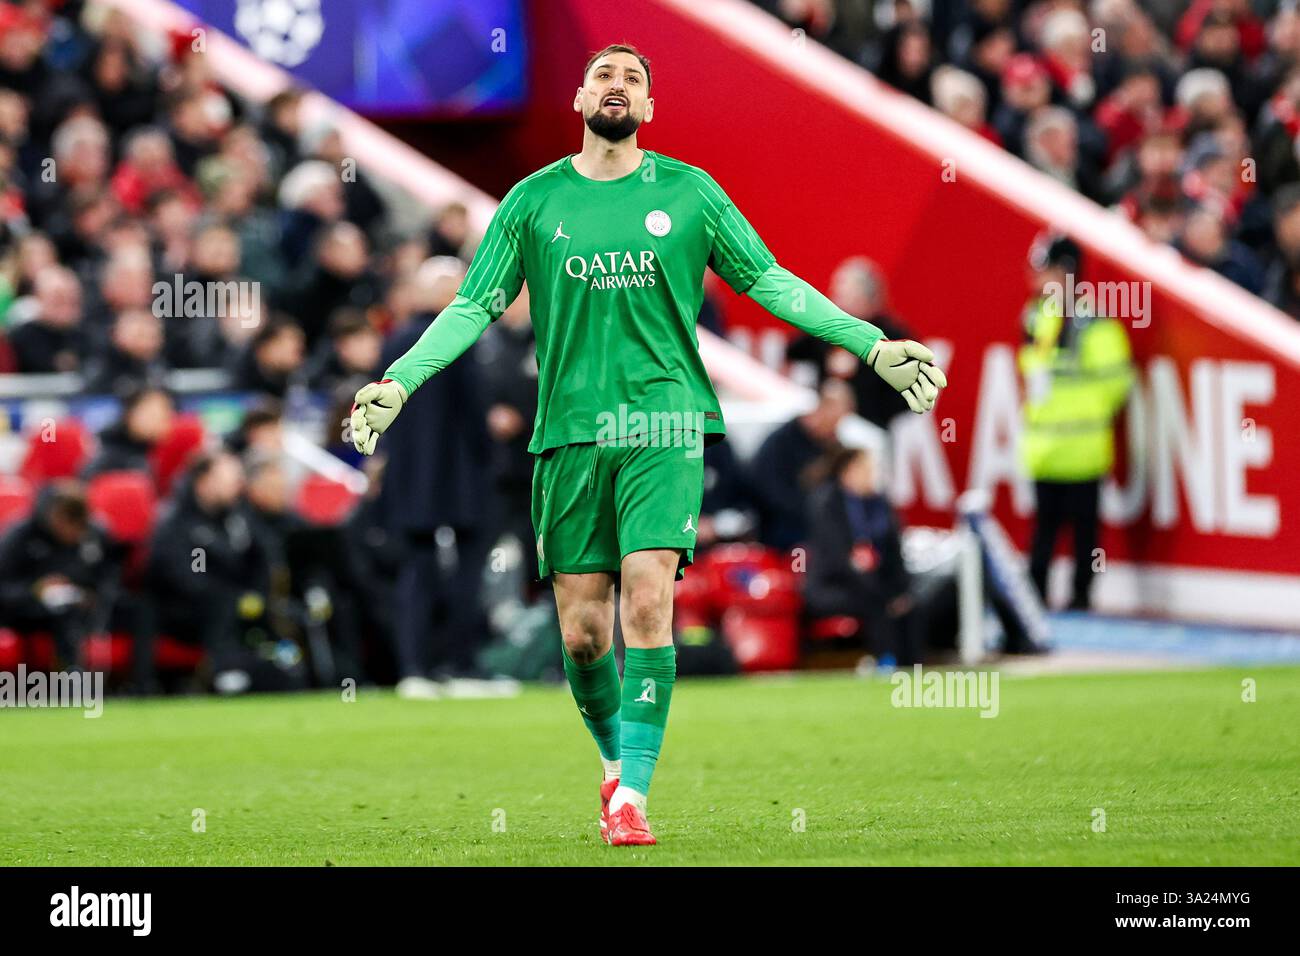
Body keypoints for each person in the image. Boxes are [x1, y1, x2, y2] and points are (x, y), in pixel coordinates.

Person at [349, 44, 948, 846]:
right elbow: (470, 307)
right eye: (604, 74)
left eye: (635, 78)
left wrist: (870, 343)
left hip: (665, 426)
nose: (619, 86)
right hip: (569, 433)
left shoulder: (691, 193)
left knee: (646, 596)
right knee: (583, 634)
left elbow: (770, 280)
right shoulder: (532, 202)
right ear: (579, 97)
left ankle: (633, 794)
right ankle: (611, 762)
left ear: (650, 108)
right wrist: (399, 379)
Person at [1019, 233, 1134, 611]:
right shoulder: (1036, 317)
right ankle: (1034, 600)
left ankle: (1082, 597)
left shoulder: (1094, 323)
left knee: (1085, 532)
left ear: (1067, 273)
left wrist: (1082, 413)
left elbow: (1116, 381)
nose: (1037, 281)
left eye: (1046, 272)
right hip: (1045, 450)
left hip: (1081, 448)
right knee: (1044, 532)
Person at [805, 446, 920, 668]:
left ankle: (913, 666)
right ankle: (885, 662)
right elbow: (839, 560)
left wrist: (901, 590)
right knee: (877, 604)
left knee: (910, 605)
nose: (871, 475)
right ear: (848, 472)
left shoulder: (881, 506)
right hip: (833, 586)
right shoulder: (828, 505)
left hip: (875, 585)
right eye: (866, 469)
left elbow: (895, 555)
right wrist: (885, 594)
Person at [0, 480, 116, 669]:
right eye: (69, 526)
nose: (73, 535)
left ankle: (78, 679)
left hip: (79, 609)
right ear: (55, 517)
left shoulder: (95, 534)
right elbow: (4, 588)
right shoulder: (20, 536)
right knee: (63, 615)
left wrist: (90, 595)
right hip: (21, 610)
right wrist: (36, 589)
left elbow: (107, 578)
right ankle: (65, 679)